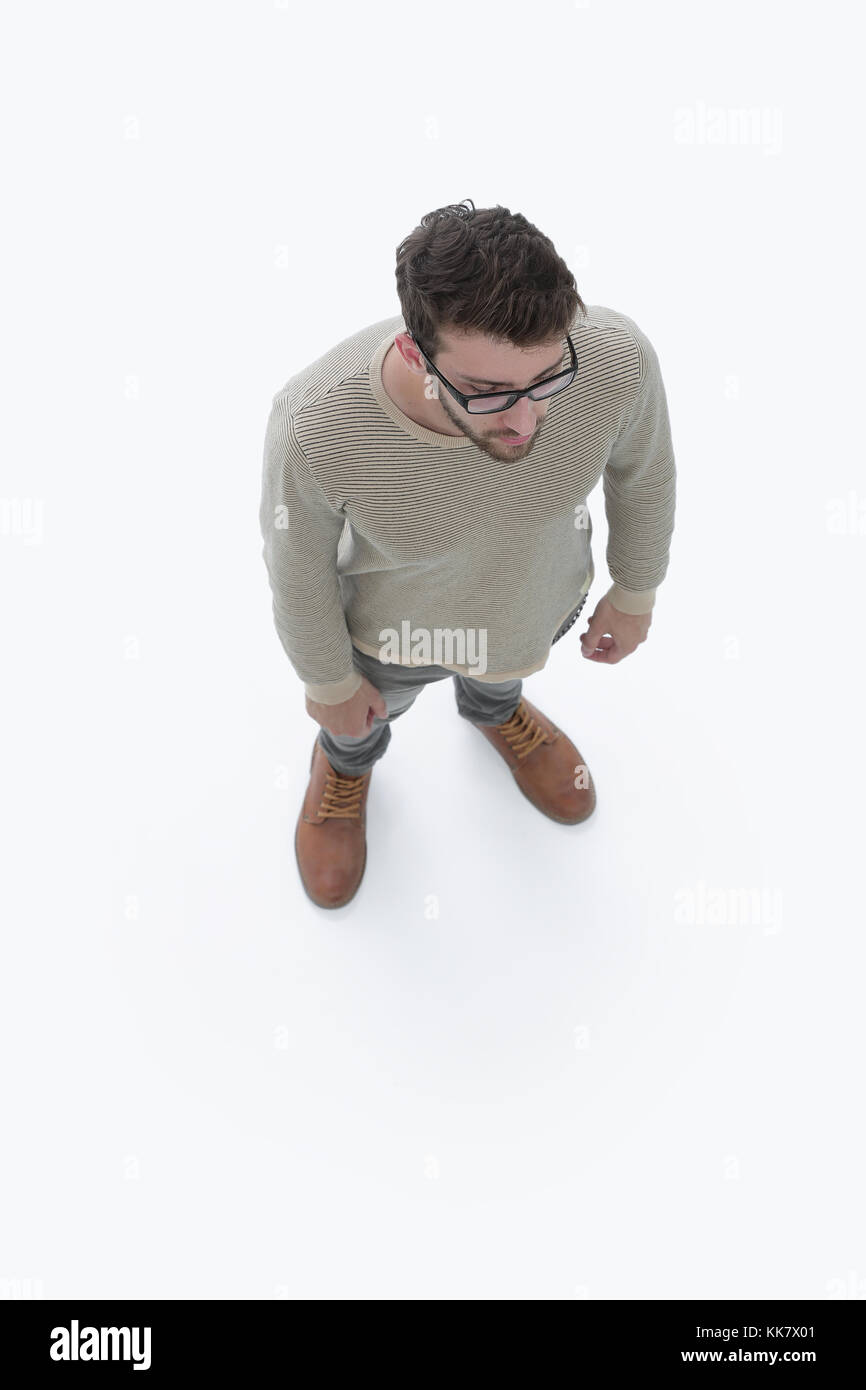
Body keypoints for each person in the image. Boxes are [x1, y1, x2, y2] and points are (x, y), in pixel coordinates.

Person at [259, 199, 676, 908]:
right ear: (414, 353)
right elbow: (294, 570)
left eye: (546, 381)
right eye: (486, 392)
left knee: (502, 670)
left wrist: (636, 588)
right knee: (363, 720)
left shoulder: (615, 360)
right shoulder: (316, 426)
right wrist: (330, 685)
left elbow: (646, 473)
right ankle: (347, 769)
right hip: (387, 637)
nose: (523, 422)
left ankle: (494, 709)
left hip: (533, 603)